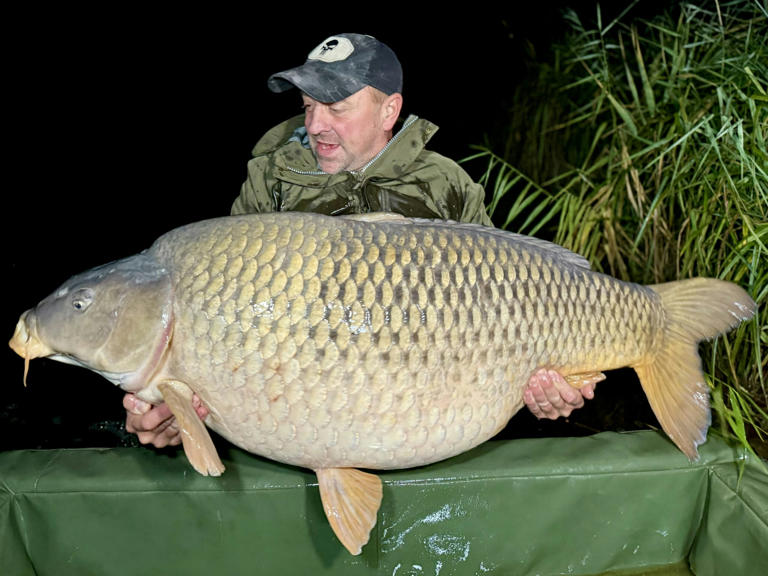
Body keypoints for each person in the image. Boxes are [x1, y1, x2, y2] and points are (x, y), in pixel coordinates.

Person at [123, 33, 597, 448]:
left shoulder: (444, 185)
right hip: (297, 415)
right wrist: (175, 406)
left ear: (389, 110)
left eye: (337, 107)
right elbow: (221, 317)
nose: (315, 125)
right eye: (308, 106)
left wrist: (547, 389)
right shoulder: (270, 182)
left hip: (425, 412)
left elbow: (506, 306)